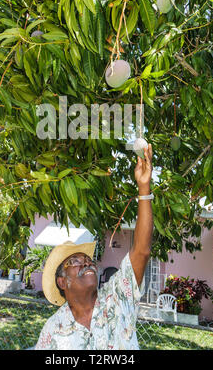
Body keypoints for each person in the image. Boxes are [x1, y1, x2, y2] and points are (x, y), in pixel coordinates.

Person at [35, 144, 153, 350]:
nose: (87, 263)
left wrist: (144, 189)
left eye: (88, 260)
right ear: (62, 282)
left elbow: (141, 251)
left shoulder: (116, 297)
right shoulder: (52, 331)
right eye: (75, 261)